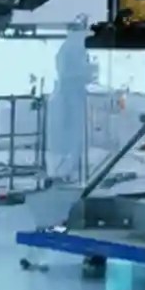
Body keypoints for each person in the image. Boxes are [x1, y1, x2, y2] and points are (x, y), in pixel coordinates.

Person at [50, 16, 95, 183]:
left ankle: (72, 168)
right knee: (71, 134)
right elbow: (67, 73)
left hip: (74, 93)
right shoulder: (69, 49)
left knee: (76, 134)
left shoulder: (75, 48)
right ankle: (67, 170)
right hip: (70, 94)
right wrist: (86, 73)